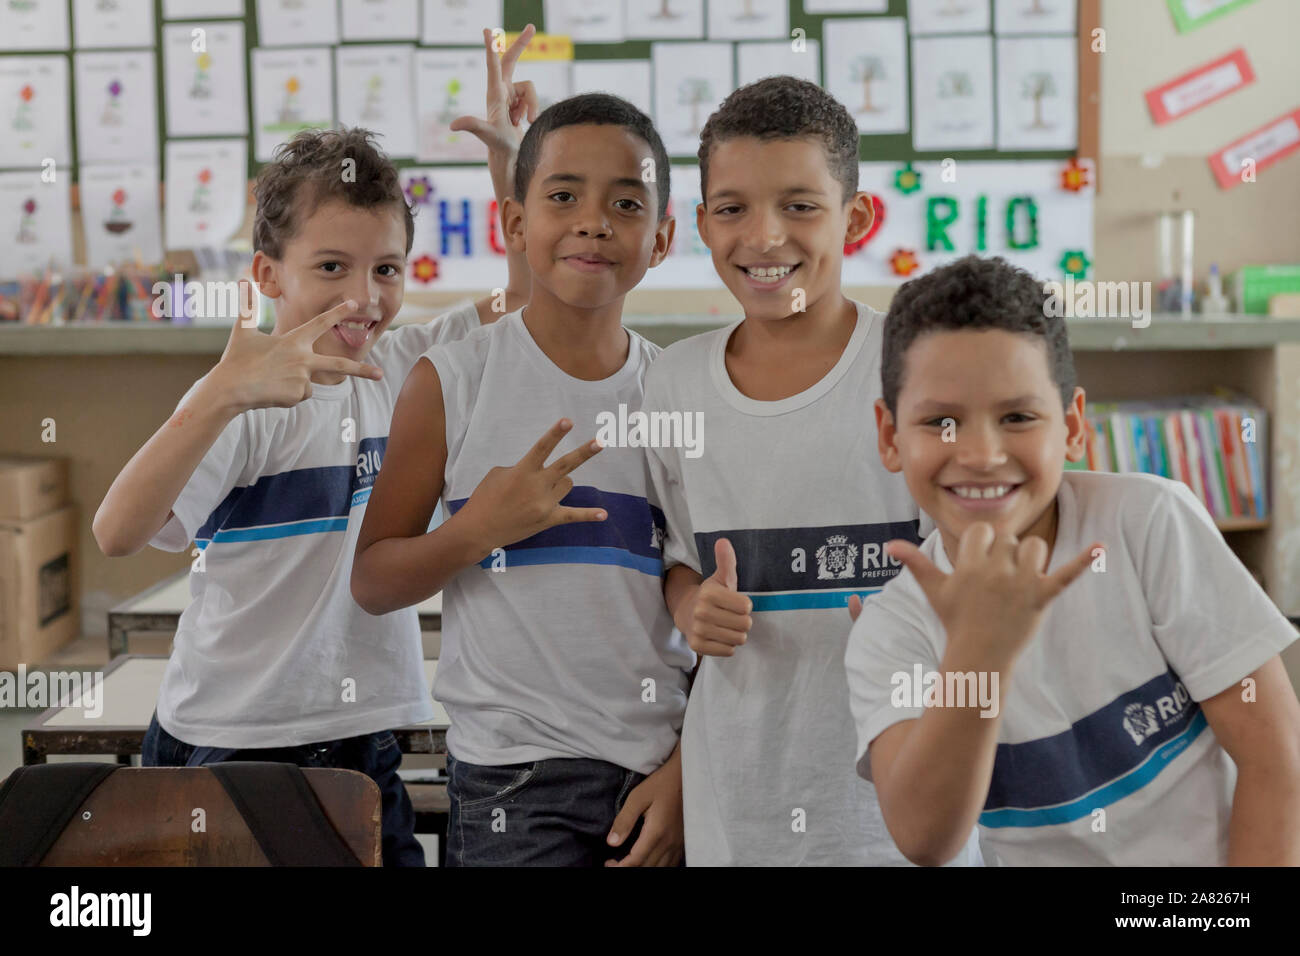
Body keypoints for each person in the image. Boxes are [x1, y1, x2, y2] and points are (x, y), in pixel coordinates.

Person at [845, 253, 1300, 865]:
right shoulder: (891, 631)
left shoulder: (1148, 524)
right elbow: (925, 839)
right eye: (942, 421)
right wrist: (980, 653)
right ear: (889, 436)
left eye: (1017, 417)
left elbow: (1277, 757)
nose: (981, 453)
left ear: (1073, 425)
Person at [352, 92, 692, 866]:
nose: (593, 221)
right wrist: (476, 531)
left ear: (663, 237)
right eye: (563, 196)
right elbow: (373, 580)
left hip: (657, 770)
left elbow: (702, 591)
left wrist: (685, 769)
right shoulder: (449, 381)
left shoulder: (680, 394)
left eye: (627, 202)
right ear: (514, 222)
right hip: (511, 780)